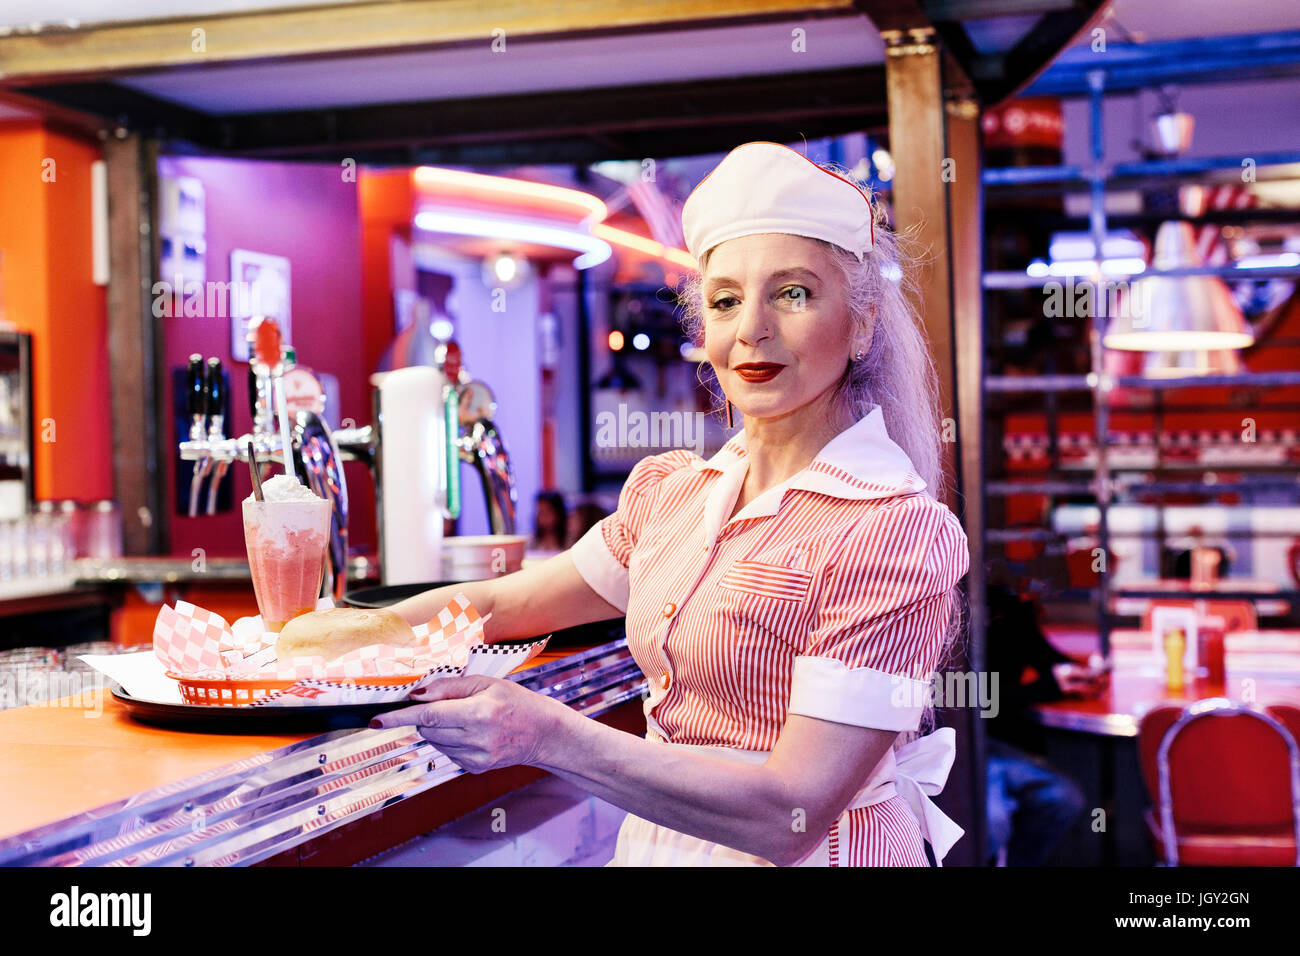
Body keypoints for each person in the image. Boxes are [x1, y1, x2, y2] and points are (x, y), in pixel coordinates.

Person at [380, 141, 971, 866]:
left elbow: (788, 815)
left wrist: (545, 735)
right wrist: (337, 638)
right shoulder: (672, 494)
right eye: (726, 300)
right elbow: (502, 605)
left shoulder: (892, 531)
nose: (751, 328)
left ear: (863, 323)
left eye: (792, 294)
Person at [983, 576, 1101, 865]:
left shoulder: (1010, 608)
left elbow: (1043, 656)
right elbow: (966, 699)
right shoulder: (953, 608)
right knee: (993, 821)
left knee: (1064, 798)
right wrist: (1049, 686)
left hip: (1006, 744)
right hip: (966, 744)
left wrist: (1080, 674)